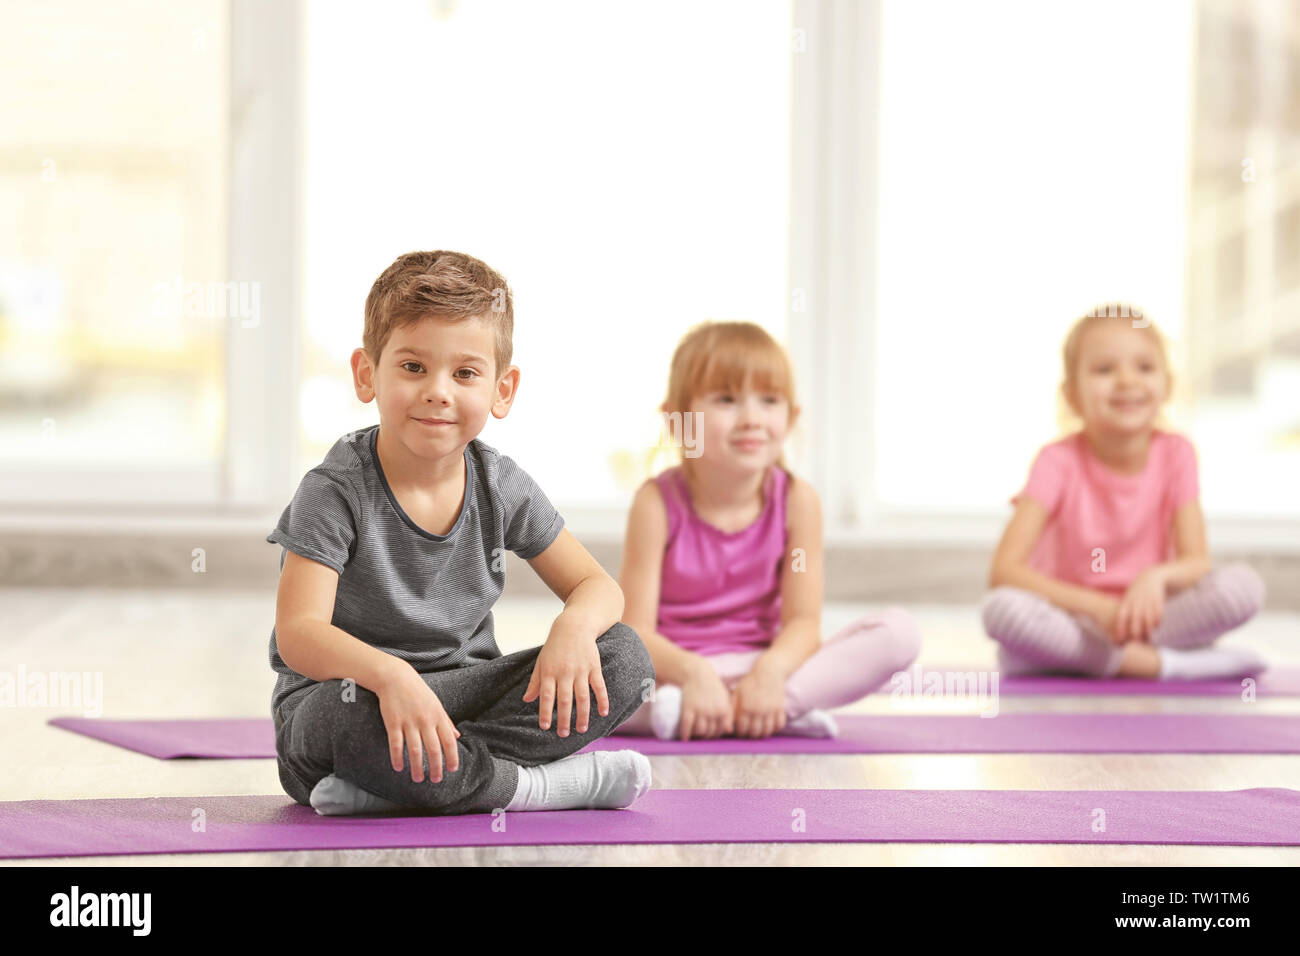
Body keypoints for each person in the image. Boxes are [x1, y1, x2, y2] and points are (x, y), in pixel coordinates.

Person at [268, 250, 654, 816]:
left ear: (502, 389)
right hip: (358, 702)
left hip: (461, 699)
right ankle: (535, 788)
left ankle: (410, 785)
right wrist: (391, 675)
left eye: (465, 373)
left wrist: (573, 627)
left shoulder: (502, 485)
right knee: (344, 717)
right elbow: (299, 633)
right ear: (366, 373)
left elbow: (599, 587)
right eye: (413, 367)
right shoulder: (333, 490)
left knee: (624, 658)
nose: (438, 391)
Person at [617, 320, 921, 740]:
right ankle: (775, 711)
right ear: (677, 420)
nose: (752, 418)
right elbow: (635, 632)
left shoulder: (798, 501)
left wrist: (770, 673)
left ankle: (759, 703)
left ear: (791, 416)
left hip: (759, 665)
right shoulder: (656, 503)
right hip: (672, 671)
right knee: (592, 678)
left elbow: (802, 622)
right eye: (726, 399)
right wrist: (692, 673)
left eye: (769, 400)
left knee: (898, 634)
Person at [983, 304, 1266, 679]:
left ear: (1166, 385)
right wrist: (1099, 608)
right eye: (1104, 369)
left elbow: (1197, 562)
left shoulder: (1177, 453)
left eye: (1145, 367)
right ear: (1072, 395)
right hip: (1077, 619)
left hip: (1153, 618)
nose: (1127, 380)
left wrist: (1157, 578)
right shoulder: (1056, 461)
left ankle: (1076, 660)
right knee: (1003, 611)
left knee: (1242, 588)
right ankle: (1159, 665)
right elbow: (1004, 572)